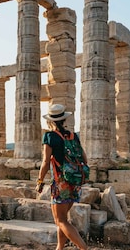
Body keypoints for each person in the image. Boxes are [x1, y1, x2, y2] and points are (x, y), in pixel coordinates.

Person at [35, 104, 88, 250]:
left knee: (61, 221)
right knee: (63, 219)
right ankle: (60, 248)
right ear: (64, 119)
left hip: (61, 182)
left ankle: (84, 248)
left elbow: (46, 162)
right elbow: (85, 158)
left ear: (50, 120)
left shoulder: (50, 136)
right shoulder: (73, 135)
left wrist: (40, 181)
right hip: (75, 182)